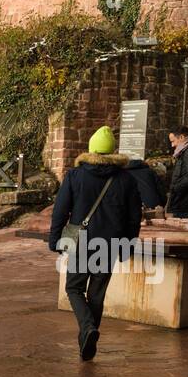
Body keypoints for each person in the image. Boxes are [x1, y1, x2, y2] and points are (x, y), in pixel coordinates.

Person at [49, 125, 143, 362]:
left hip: (81, 241)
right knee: (97, 294)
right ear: (112, 151)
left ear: (91, 149)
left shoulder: (75, 175)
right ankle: (87, 336)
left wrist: (54, 239)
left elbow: (60, 211)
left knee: (73, 288)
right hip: (110, 243)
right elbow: (134, 218)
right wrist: (127, 246)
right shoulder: (127, 180)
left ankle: (88, 328)